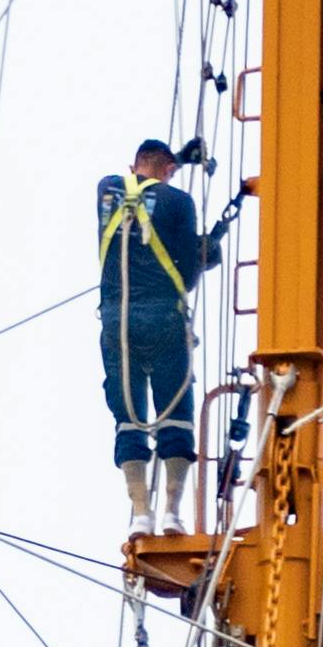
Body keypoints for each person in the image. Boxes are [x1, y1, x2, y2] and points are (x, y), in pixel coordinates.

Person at [97, 140, 223, 490]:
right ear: (168, 171)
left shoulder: (107, 190)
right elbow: (187, 279)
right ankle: (172, 509)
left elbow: (143, 182)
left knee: (128, 418)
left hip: (117, 325)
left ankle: (139, 510)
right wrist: (207, 251)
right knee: (176, 413)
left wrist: (177, 159)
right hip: (164, 320)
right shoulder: (179, 203)